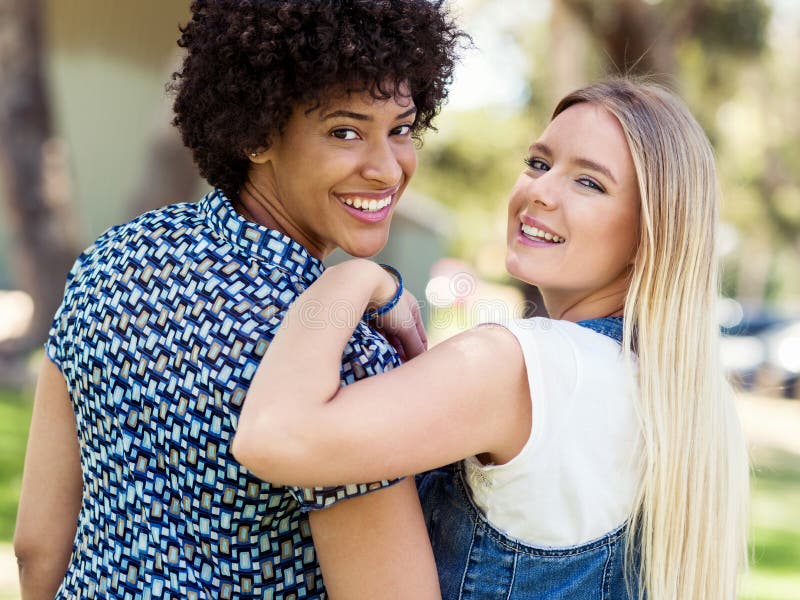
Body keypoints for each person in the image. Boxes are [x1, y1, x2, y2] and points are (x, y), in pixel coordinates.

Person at [14, 1, 467, 598]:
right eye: (345, 131)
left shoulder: (109, 261)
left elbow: (36, 548)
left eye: (401, 129)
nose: (386, 169)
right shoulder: (342, 361)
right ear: (257, 133)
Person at [233, 79, 750, 599]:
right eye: (539, 163)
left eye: (589, 183)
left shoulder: (521, 365)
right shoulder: (670, 394)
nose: (539, 192)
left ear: (650, 234)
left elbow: (272, 436)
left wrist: (349, 278)